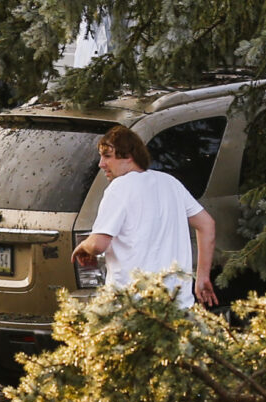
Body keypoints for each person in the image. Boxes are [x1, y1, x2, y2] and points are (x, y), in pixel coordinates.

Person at [73, 124, 219, 308]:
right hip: (178, 305)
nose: (101, 164)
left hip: (133, 308)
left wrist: (83, 246)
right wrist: (203, 277)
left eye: (107, 156)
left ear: (129, 156)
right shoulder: (170, 183)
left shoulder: (119, 188)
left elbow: (97, 244)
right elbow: (207, 224)